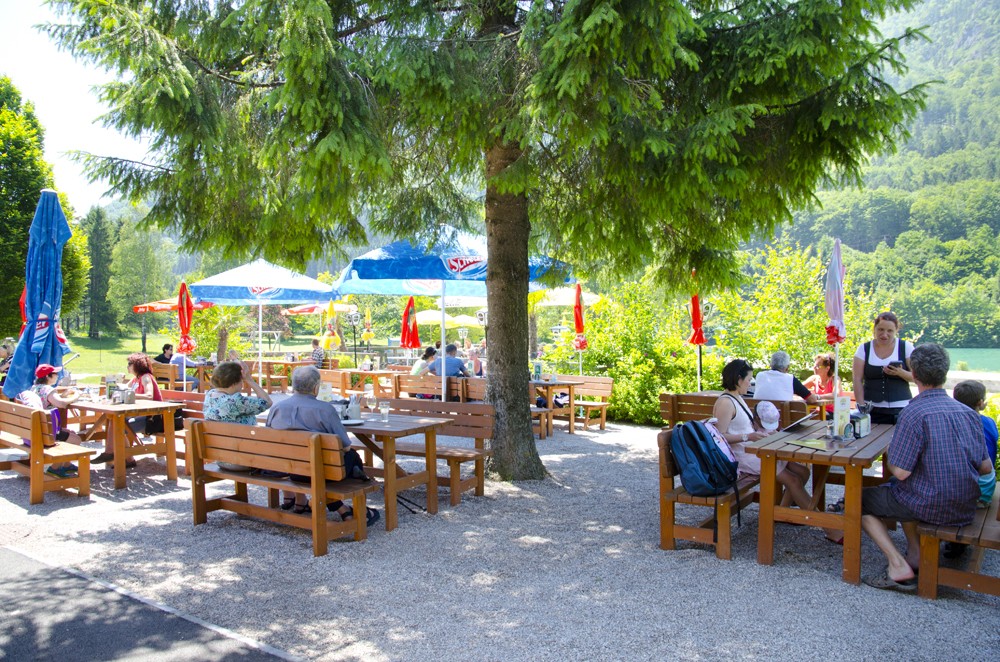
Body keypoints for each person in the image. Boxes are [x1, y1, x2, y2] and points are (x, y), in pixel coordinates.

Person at [860, 344, 991, 592]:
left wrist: (891, 453)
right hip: (965, 504)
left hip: (930, 504)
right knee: (903, 489)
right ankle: (916, 554)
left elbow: (900, 471)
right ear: (944, 373)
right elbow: (985, 467)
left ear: (914, 374)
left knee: (858, 500)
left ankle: (897, 565)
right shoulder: (969, 413)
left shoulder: (913, 412)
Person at [266, 366, 379, 525]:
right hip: (320, 472)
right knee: (352, 457)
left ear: (294, 385)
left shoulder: (277, 408)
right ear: (316, 387)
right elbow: (345, 446)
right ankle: (354, 510)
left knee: (326, 464)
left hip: (287, 468)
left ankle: (335, 508)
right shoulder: (325, 410)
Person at [711, 359, 814, 512]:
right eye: (748, 379)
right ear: (738, 379)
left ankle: (782, 511)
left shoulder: (737, 397)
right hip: (741, 456)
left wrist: (765, 433)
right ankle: (829, 527)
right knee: (793, 480)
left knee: (803, 471)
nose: (750, 383)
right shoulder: (726, 402)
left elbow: (744, 426)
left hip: (752, 449)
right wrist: (748, 437)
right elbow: (719, 437)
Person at [93, 353, 161, 465]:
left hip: (151, 418)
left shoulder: (146, 377)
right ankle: (128, 459)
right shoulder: (135, 379)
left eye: (130, 364)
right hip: (139, 415)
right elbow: (124, 389)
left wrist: (128, 393)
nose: (128, 366)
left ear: (138, 365)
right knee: (114, 420)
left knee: (117, 425)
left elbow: (149, 395)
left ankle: (110, 453)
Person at [852, 312, 914, 424]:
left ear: (896, 331)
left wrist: (900, 372)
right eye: (880, 329)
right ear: (874, 329)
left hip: (901, 409)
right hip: (870, 409)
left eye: (889, 331)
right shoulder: (864, 349)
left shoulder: (906, 347)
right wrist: (862, 408)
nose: (884, 334)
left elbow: (917, 377)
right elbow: (857, 379)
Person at [22, 364, 82, 478]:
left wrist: (63, 395)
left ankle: (67, 464)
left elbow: (50, 400)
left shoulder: (34, 388)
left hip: (37, 429)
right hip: (46, 432)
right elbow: (62, 404)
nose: (57, 376)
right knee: (76, 440)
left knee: (71, 433)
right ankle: (55, 468)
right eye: (55, 374)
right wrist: (76, 396)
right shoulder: (48, 389)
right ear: (48, 376)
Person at [751, 351, 819, 405]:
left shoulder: (760, 376)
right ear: (787, 368)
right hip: (784, 421)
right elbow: (812, 399)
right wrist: (818, 397)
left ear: (770, 365)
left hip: (758, 420)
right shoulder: (790, 379)